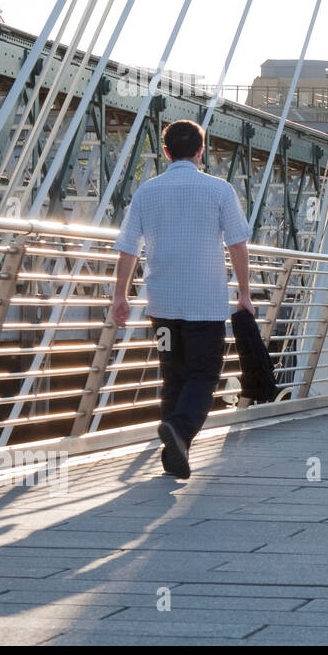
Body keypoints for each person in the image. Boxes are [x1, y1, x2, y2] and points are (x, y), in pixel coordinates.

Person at [111, 120, 255, 480]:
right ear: (201, 151)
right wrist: (245, 292)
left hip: (161, 307)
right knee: (204, 374)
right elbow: (238, 244)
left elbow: (128, 248)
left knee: (172, 375)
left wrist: (119, 296)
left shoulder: (147, 192)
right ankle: (178, 428)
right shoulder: (220, 191)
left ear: (165, 152)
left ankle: (176, 448)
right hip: (204, 306)